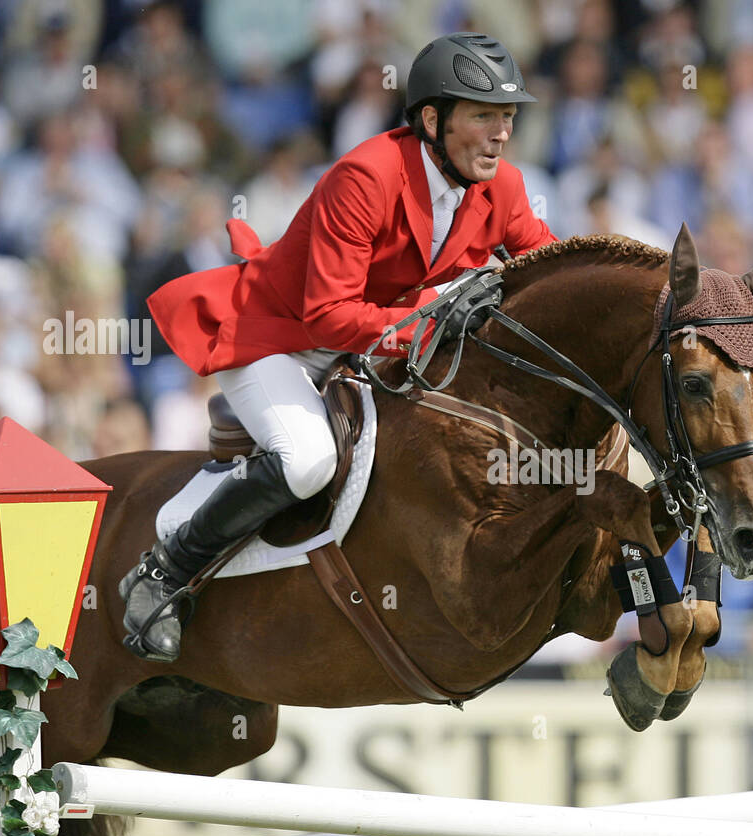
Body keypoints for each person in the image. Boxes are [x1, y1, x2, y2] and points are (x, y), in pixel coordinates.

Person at [120, 33, 558, 661]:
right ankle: (162, 572)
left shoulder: (503, 188)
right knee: (307, 462)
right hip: (277, 337)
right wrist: (431, 320)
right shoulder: (366, 177)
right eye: (484, 115)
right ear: (432, 120)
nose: (501, 134)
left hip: (364, 347)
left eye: (508, 118)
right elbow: (327, 317)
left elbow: (551, 270)